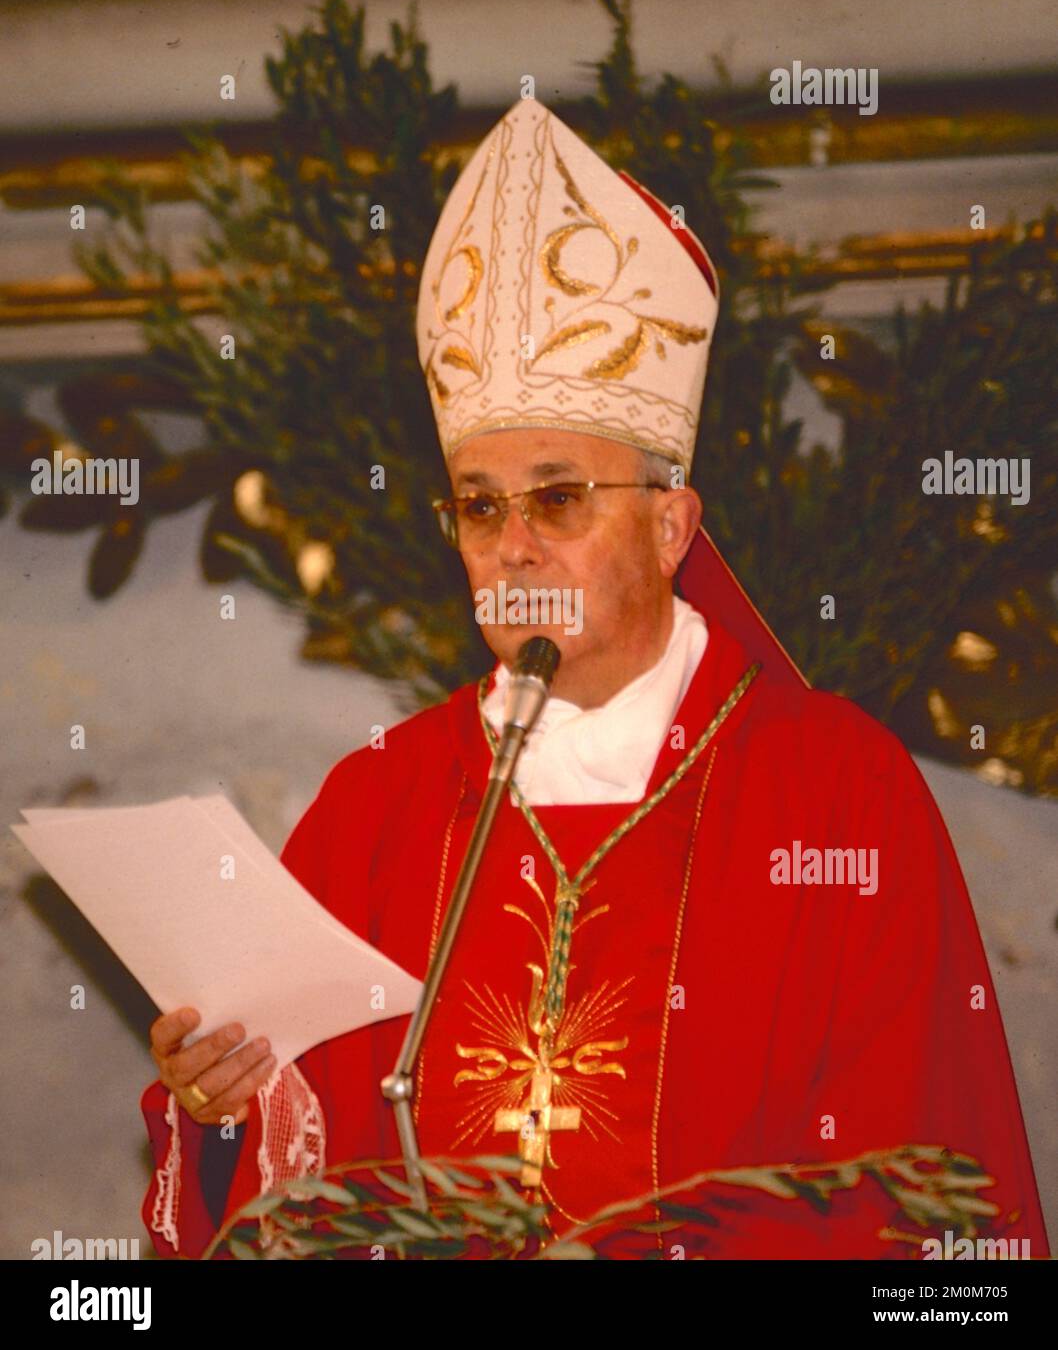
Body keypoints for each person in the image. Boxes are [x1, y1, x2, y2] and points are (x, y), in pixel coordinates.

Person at [140, 96, 1049, 1260]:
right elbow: (282, 1177)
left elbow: (920, 1196)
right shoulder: (375, 809)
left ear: (671, 526)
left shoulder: (835, 796)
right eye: (478, 505)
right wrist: (220, 1103)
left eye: (558, 496)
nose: (511, 543)